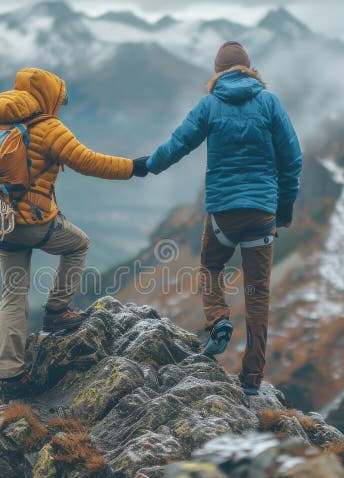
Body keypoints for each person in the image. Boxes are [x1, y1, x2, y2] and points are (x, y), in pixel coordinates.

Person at [133, 41, 302, 395]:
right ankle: (252, 380)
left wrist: (147, 166)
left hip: (224, 214)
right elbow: (292, 160)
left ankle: (219, 320)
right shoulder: (269, 103)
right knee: (257, 294)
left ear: (218, 73)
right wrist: (283, 210)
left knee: (211, 266)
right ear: (249, 70)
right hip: (262, 215)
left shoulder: (210, 105)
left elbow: (178, 144)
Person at [0, 68, 138, 400]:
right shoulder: (49, 128)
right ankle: (57, 310)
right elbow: (88, 161)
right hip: (35, 223)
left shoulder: (4, 128)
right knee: (78, 244)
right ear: (49, 95)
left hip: (3, 222)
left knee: (13, 295)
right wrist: (133, 167)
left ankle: (11, 375)